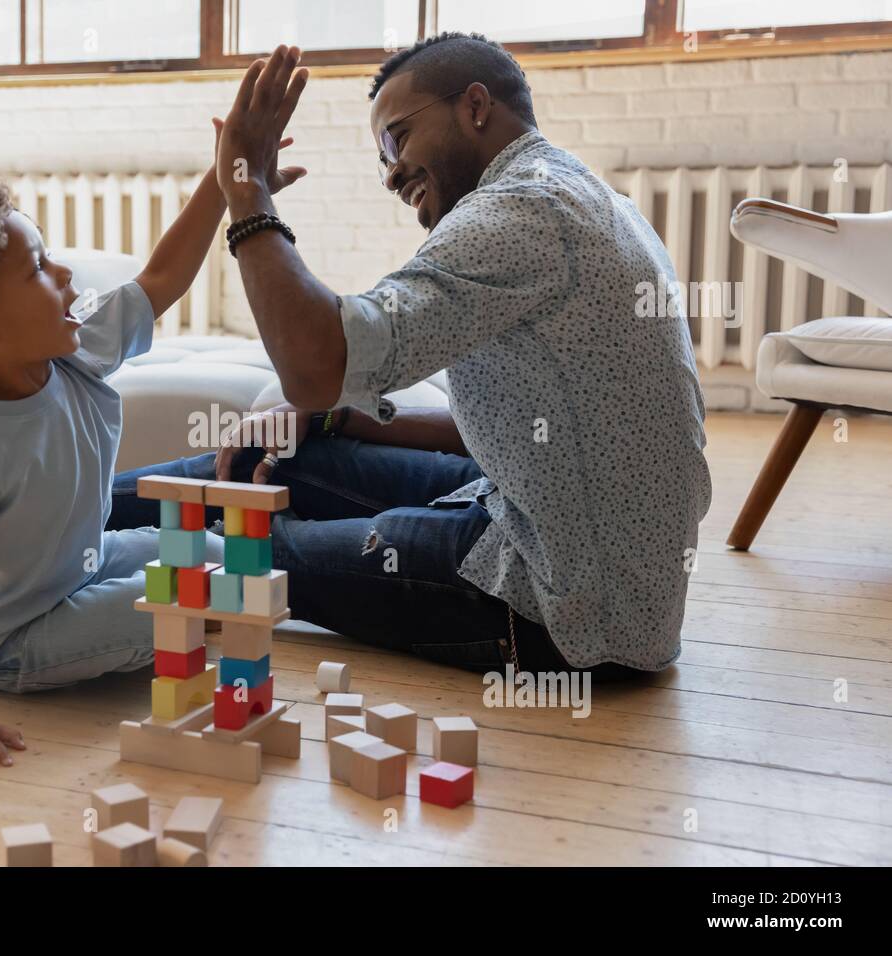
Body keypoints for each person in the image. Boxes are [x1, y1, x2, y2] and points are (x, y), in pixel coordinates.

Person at [108, 34, 713, 683]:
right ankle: (66, 511)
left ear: (475, 106)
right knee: (283, 454)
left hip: (567, 607)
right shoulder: (572, 193)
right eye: (382, 158)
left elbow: (314, 368)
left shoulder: (519, 211)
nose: (392, 173)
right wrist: (336, 418)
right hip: (545, 525)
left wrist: (247, 191)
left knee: (243, 545)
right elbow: (526, 427)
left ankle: (55, 553)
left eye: (397, 140)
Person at [0, 132, 305, 774]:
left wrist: (224, 185)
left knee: (227, 555)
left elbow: (160, 279)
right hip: (19, 639)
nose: (65, 274)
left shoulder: (68, 347)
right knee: (201, 594)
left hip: (79, 563)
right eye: (39, 270)